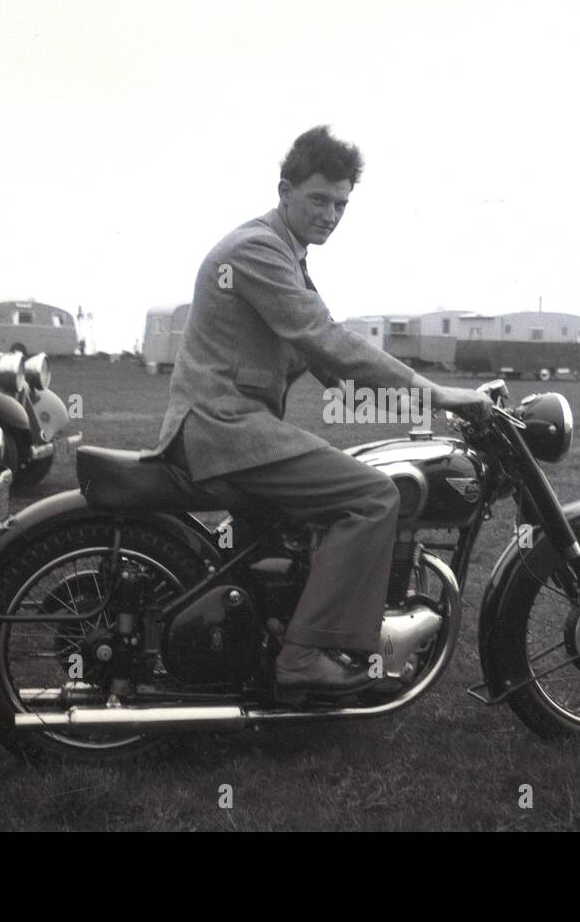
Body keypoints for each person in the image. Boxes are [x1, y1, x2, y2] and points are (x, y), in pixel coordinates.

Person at [156, 125, 490, 699]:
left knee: (354, 485)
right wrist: (440, 394)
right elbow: (327, 339)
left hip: (229, 429)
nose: (331, 214)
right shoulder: (258, 249)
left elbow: (333, 367)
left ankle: (285, 631)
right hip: (223, 430)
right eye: (318, 199)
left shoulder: (287, 255)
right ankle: (306, 655)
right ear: (285, 190)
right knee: (374, 496)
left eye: (341, 204)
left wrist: (417, 412)